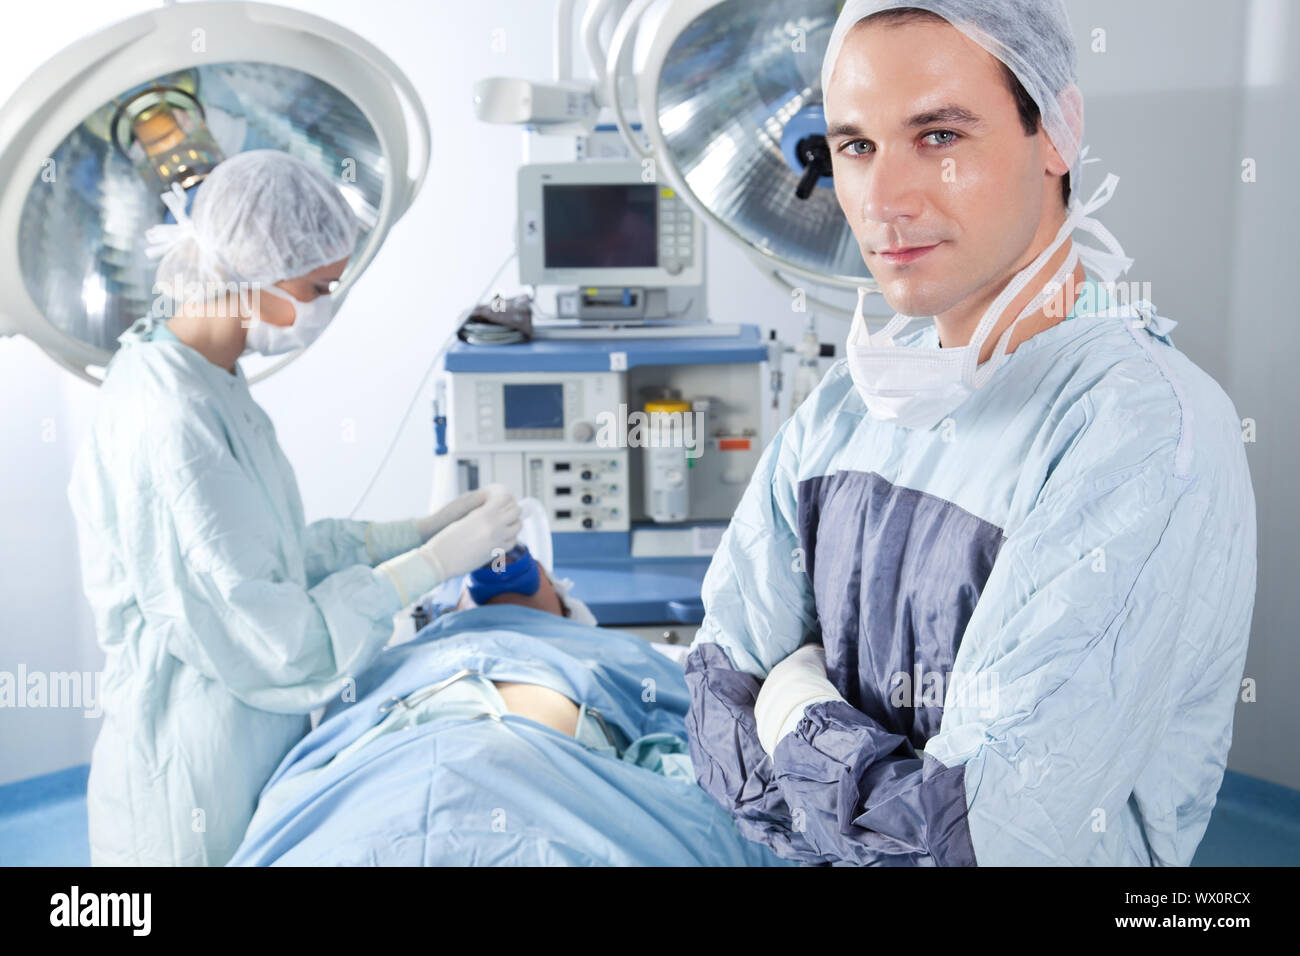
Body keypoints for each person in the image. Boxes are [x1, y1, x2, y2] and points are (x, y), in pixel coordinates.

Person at [684, 0, 1256, 865]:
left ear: (1055, 133)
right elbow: (716, 717)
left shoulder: (1140, 434)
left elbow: (974, 836)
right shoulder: (845, 408)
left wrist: (791, 699)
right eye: (855, 146)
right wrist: (839, 761)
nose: (883, 201)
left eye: (940, 136)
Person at [67, 149, 521, 866]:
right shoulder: (170, 418)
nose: (328, 304)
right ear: (251, 273)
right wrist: (429, 566)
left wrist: (417, 532)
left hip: (248, 729)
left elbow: (268, 555)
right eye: (318, 286)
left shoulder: (209, 377)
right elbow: (273, 634)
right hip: (191, 773)